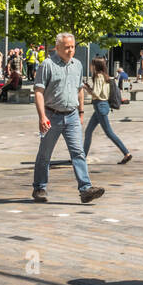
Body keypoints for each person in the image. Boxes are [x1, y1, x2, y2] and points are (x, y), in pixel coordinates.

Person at [32, 33, 105, 204]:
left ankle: (85, 189)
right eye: (66, 47)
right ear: (57, 48)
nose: (71, 50)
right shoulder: (47, 65)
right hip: (52, 115)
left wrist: (81, 112)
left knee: (78, 153)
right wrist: (42, 116)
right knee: (45, 154)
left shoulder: (77, 65)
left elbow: (79, 89)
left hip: (72, 115)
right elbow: (38, 92)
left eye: (72, 47)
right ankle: (39, 187)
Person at [82, 58, 132, 164]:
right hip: (101, 106)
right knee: (88, 131)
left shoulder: (99, 76)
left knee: (109, 132)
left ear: (96, 66)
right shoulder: (105, 76)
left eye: (92, 64)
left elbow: (96, 93)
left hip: (100, 106)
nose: (90, 66)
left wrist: (86, 88)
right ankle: (82, 156)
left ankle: (126, 153)